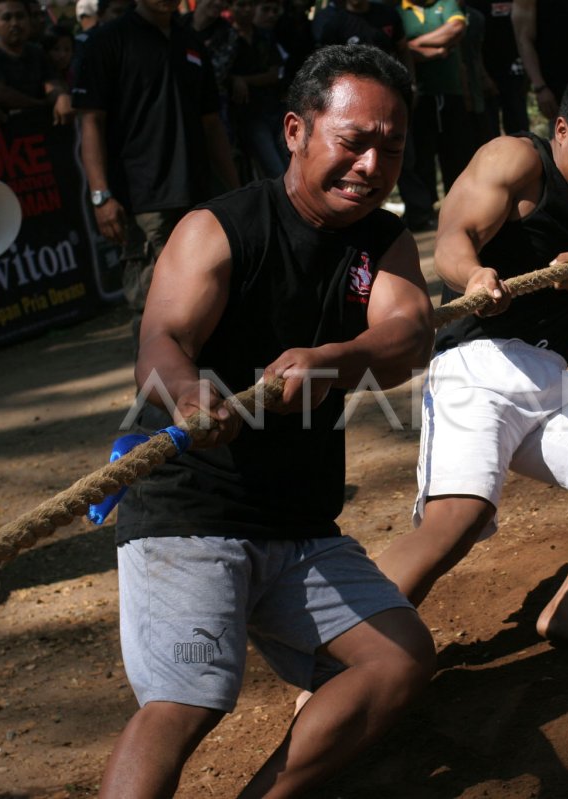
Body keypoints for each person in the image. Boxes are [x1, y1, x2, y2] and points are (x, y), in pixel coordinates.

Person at [99, 45, 437, 798]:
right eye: (354, 140)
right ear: (295, 130)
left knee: (400, 658)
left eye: (392, 145)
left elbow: (411, 333)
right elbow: (161, 342)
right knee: (187, 699)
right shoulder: (218, 228)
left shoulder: (381, 241)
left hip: (298, 521)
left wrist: (337, 356)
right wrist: (191, 398)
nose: (372, 163)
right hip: (191, 511)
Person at [375, 68, 568, 661]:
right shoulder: (516, 158)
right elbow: (454, 232)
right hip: (477, 364)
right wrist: (472, 275)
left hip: (552, 382)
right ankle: (339, 651)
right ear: (564, 129)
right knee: (457, 522)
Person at [74, 0, 240, 355]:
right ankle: (158, 406)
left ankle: (203, 399)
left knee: (209, 299)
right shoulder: (108, 42)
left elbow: (212, 124)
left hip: (199, 197)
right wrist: (101, 196)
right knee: (154, 310)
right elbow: (90, 122)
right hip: (142, 200)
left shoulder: (191, 40)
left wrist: (237, 190)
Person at [398, 0, 473, 230]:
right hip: (419, 97)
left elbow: (455, 29)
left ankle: (462, 209)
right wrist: (435, 50)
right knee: (421, 156)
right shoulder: (397, 13)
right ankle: (427, 212)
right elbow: (400, 49)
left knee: (456, 154)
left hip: (451, 92)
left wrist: (415, 44)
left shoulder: (445, 4)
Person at [0, 0, 72, 124]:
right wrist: (41, 104)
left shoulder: (37, 53)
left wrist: (61, 97)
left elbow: (52, 84)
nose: (15, 23)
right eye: (7, 18)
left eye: (20, 16)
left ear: (29, 21)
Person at [228, 0, 288, 178]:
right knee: (275, 171)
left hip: (273, 108)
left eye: (250, 5)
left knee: (289, 167)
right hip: (248, 115)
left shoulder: (264, 37)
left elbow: (274, 74)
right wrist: (234, 80)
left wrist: (242, 80)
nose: (246, 10)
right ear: (230, 8)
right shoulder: (225, 37)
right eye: (240, 5)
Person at [468, 0, 530, 137]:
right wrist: (483, 75)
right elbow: (472, 44)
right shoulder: (474, 5)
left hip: (515, 72)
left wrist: (528, 72)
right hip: (486, 74)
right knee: (488, 131)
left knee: (519, 128)